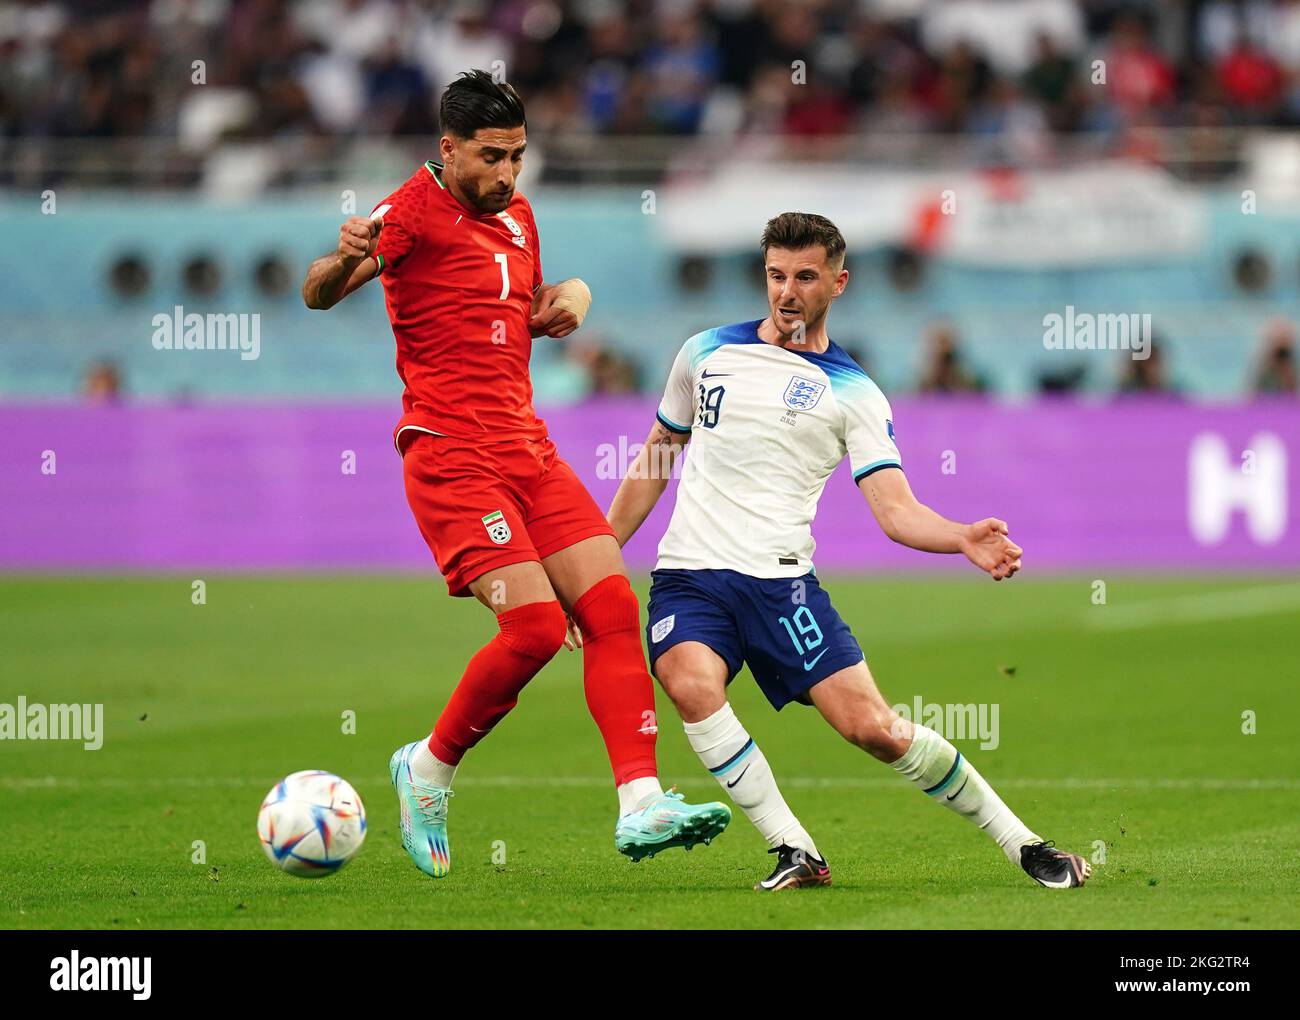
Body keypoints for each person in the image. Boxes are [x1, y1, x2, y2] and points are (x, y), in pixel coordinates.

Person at [301, 70, 729, 879]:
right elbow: (318, 294)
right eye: (491, 157)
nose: (507, 174)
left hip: (525, 448)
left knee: (609, 605)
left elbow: (519, 304)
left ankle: (641, 803)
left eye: (518, 157)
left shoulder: (519, 216)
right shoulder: (408, 214)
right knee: (533, 630)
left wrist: (570, 294)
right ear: (448, 149)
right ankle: (426, 770)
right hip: (451, 454)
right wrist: (343, 255)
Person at [606, 211, 1091, 892]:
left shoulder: (854, 393)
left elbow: (894, 512)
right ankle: (795, 850)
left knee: (876, 731)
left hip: (782, 587)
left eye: (805, 277)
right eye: (776, 275)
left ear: (839, 282)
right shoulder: (704, 352)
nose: (787, 292)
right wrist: (600, 555)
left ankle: (1024, 843)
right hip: (690, 578)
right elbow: (657, 457)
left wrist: (959, 537)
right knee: (689, 683)